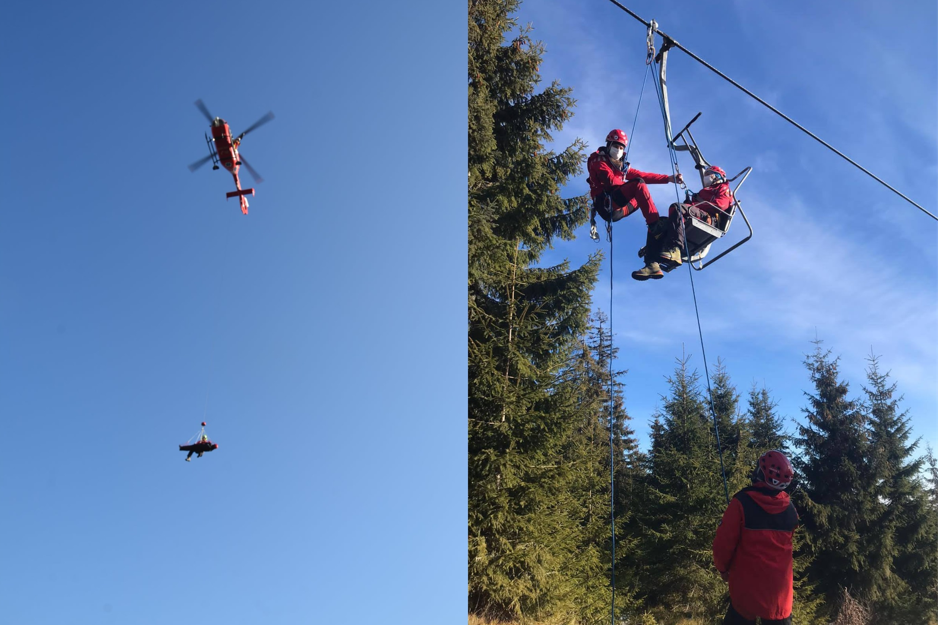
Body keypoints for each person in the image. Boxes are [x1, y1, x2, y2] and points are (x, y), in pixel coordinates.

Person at [713, 450, 798, 625]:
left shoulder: (741, 503)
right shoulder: (790, 510)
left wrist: (723, 570)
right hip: (779, 599)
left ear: (760, 473)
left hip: (745, 595)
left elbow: (723, 544)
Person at [586, 129, 683, 280]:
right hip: (607, 203)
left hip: (618, 207)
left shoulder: (620, 165)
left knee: (644, 199)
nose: (618, 150)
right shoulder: (598, 160)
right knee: (638, 185)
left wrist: (669, 178)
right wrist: (623, 173)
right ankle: (656, 227)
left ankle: (652, 263)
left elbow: (643, 175)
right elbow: (610, 182)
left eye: (621, 147)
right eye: (616, 146)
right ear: (609, 144)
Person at [658, 165, 734, 268]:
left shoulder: (723, 188)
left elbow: (720, 205)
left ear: (717, 176)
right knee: (659, 223)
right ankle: (652, 261)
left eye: (708, 174)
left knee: (677, 207)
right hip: (697, 213)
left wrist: (692, 206)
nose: (705, 177)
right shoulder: (705, 191)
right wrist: (690, 202)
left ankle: (674, 248)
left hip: (709, 218)